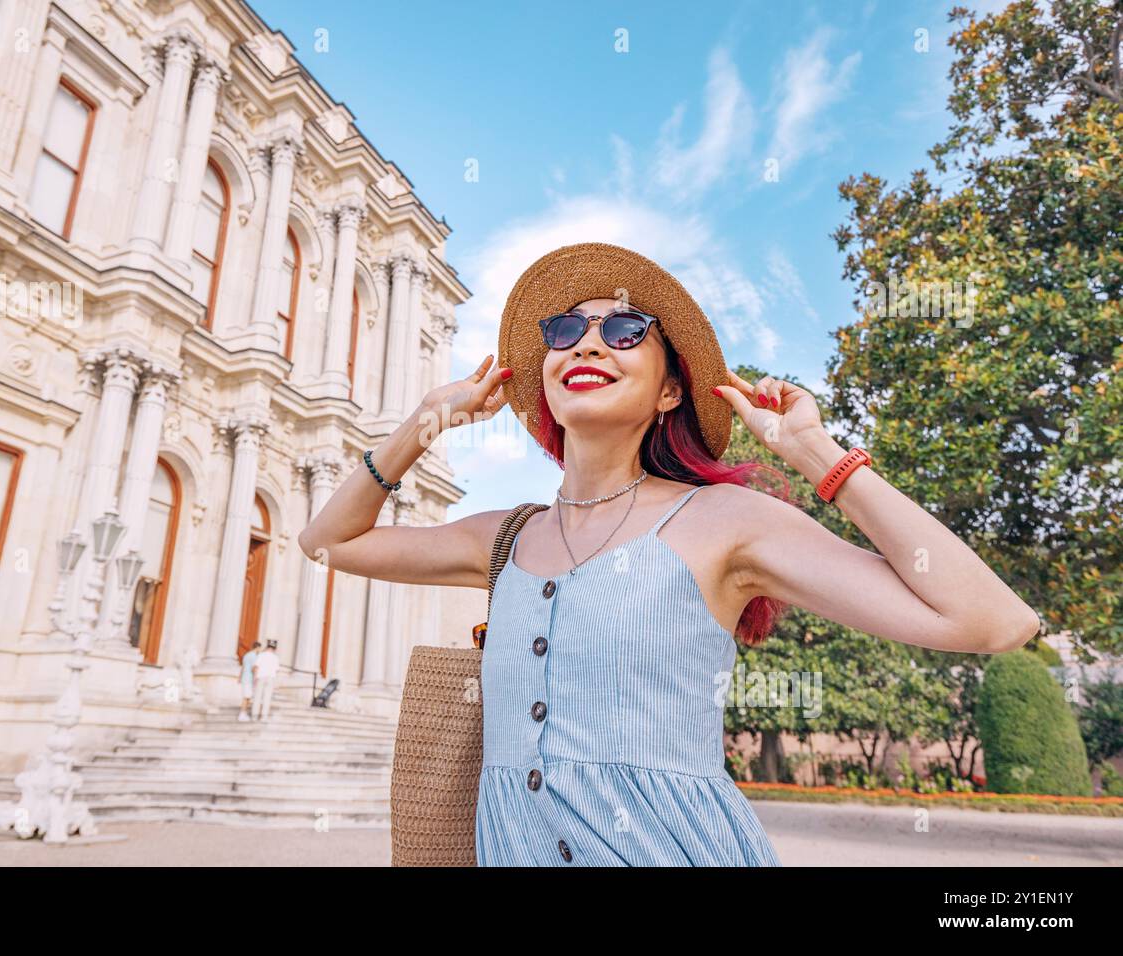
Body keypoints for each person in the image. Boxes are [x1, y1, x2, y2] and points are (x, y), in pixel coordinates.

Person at [297, 242, 1041, 867]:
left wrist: (815, 452)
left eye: (624, 329)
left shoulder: (725, 522)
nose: (586, 342)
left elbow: (991, 622)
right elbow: (328, 543)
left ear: (668, 392)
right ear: (547, 384)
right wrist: (423, 424)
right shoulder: (505, 538)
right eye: (565, 330)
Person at [252, 640, 279, 722]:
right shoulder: (276, 657)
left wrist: (255, 678)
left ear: (267, 647)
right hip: (270, 678)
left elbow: (256, 667)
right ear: (274, 648)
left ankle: (255, 715)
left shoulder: (261, 655)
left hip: (261, 677)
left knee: (257, 696)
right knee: (267, 697)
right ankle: (264, 716)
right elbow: (277, 670)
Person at [237, 644, 258, 722]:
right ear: (257, 648)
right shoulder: (253, 656)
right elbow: (253, 668)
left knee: (246, 696)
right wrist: (256, 678)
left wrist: (240, 677)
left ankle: (243, 713)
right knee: (247, 697)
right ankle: (242, 714)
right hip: (249, 679)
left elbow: (242, 667)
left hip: (244, 678)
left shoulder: (246, 655)